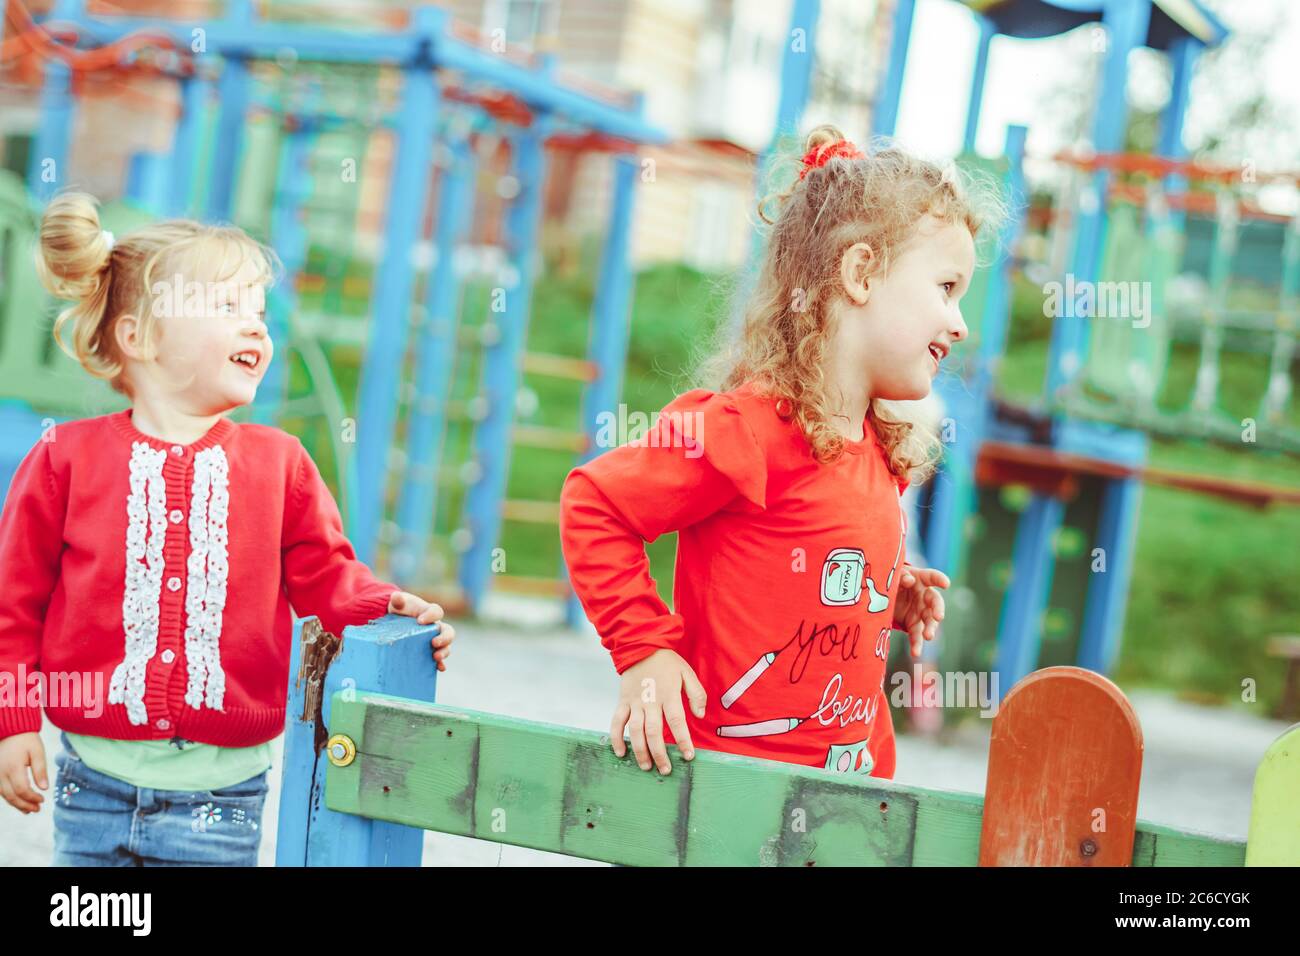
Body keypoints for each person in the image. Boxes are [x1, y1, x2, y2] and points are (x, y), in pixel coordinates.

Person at [0, 192, 456, 865]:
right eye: (227, 308)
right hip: (89, 783)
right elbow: (14, 606)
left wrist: (386, 606)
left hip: (222, 797)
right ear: (140, 337)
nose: (255, 329)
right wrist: (14, 724)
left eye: (259, 313)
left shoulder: (280, 465)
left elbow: (326, 574)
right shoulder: (63, 459)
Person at [560, 125, 1000, 779]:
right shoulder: (750, 429)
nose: (960, 322)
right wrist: (644, 651)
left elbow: (802, 572)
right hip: (723, 801)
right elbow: (595, 504)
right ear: (860, 274)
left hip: (845, 798)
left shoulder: (877, 445)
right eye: (945, 288)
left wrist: (882, 597)